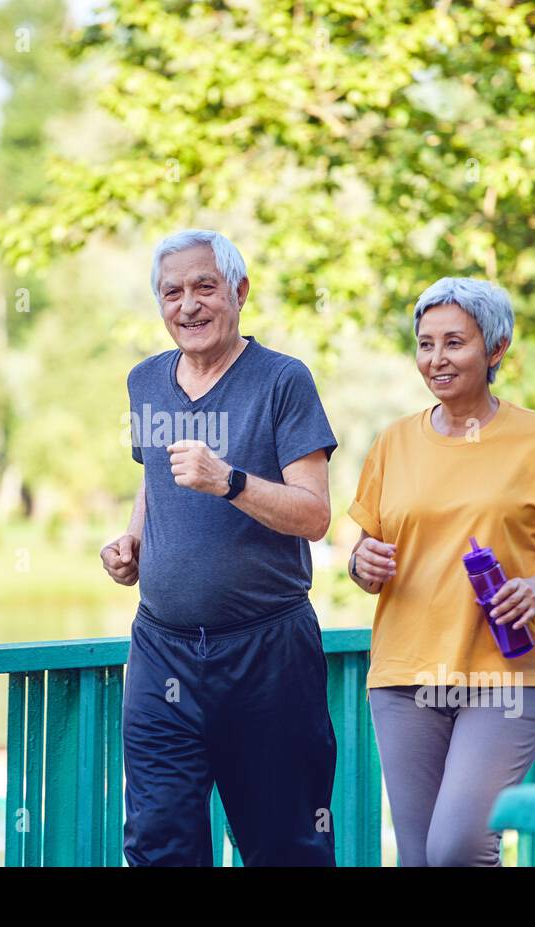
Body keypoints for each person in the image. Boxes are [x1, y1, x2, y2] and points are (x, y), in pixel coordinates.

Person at [346, 276, 535, 866]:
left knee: (458, 849)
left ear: (496, 349)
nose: (436, 359)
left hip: (508, 673)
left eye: (454, 343)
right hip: (405, 672)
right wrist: (359, 563)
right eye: (425, 344)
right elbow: (367, 554)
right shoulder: (393, 442)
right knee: (418, 858)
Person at [101, 229, 339, 866]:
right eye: (172, 292)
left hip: (268, 653)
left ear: (239, 291)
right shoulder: (145, 382)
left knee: (285, 845)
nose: (189, 305)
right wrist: (132, 542)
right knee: (158, 843)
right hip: (161, 649)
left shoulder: (283, 381)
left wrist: (227, 480)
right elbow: (155, 482)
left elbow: (315, 515)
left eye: (205, 287)